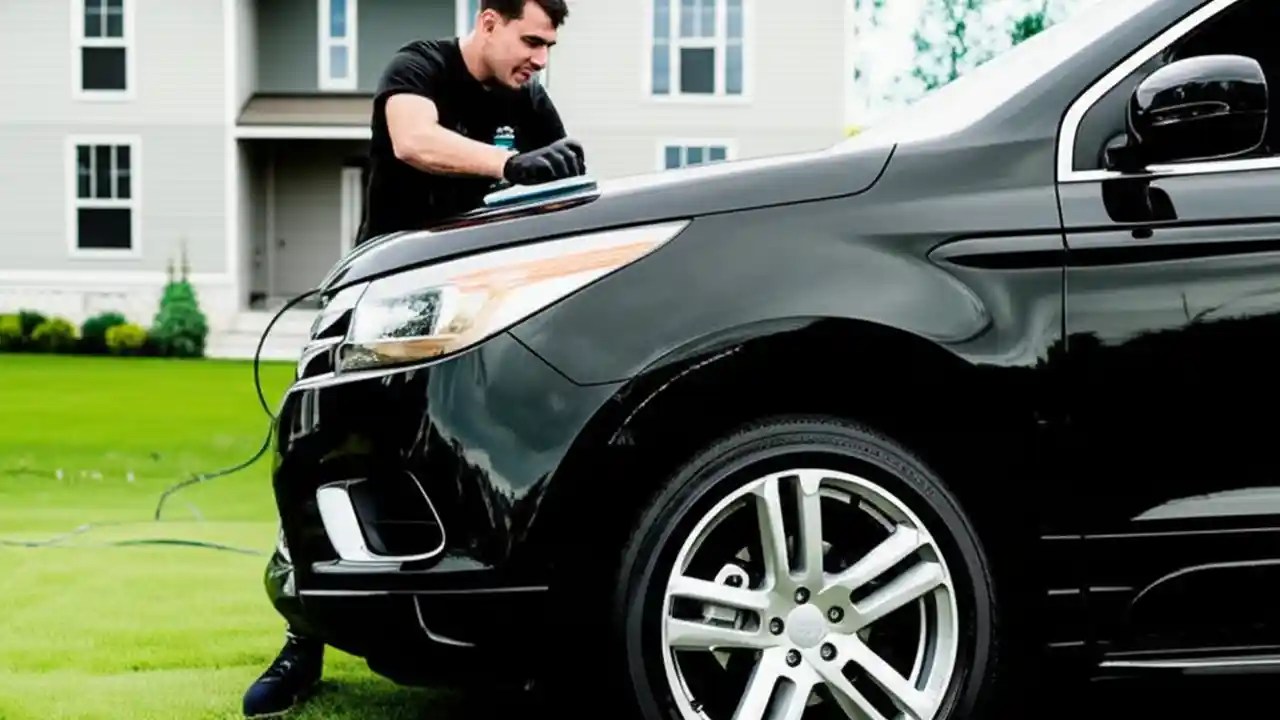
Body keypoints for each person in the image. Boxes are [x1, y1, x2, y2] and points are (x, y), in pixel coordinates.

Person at [241, 1, 578, 716]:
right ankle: (303, 641)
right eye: (531, 40)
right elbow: (414, 141)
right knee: (331, 461)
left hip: (475, 317)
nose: (541, 59)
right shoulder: (420, 65)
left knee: (485, 473)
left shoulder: (530, 101)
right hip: (382, 311)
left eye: (550, 46)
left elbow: (562, 190)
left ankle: (499, 639)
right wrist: (510, 164)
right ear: (489, 21)